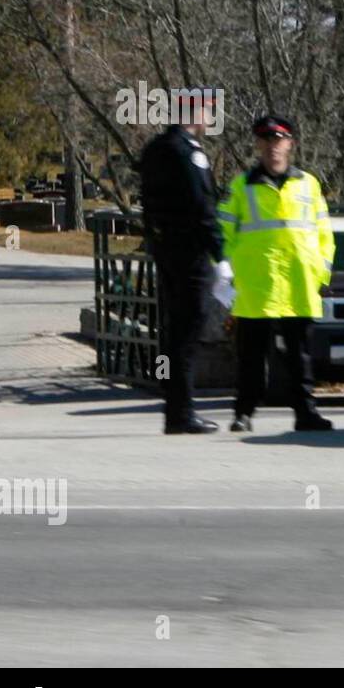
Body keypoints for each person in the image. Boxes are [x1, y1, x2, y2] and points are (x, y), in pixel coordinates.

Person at [217, 115, 335, 432]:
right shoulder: (241, 186)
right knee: (251, 356)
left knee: (301, 356)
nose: (273, 147)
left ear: (290, 144)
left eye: (279, 140)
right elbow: (223, 232)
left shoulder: (308, 184)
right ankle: (243, 413)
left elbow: (324, 232)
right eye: (267, 140)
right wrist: (225, 272)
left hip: (299, 282)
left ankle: (306, 413)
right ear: (258, 145)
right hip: (257, 284)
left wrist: (321, 275)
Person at [139, 90, 229, 434]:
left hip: (166, 250)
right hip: (190, 254)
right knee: (188, 333)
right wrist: (219, 254)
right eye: (207, 110)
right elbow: (201, 208)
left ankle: (175, 407)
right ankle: (182, 412)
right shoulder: (189, 153)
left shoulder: (155, 149)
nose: (209, 117)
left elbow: (148, 203)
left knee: (174, 331)